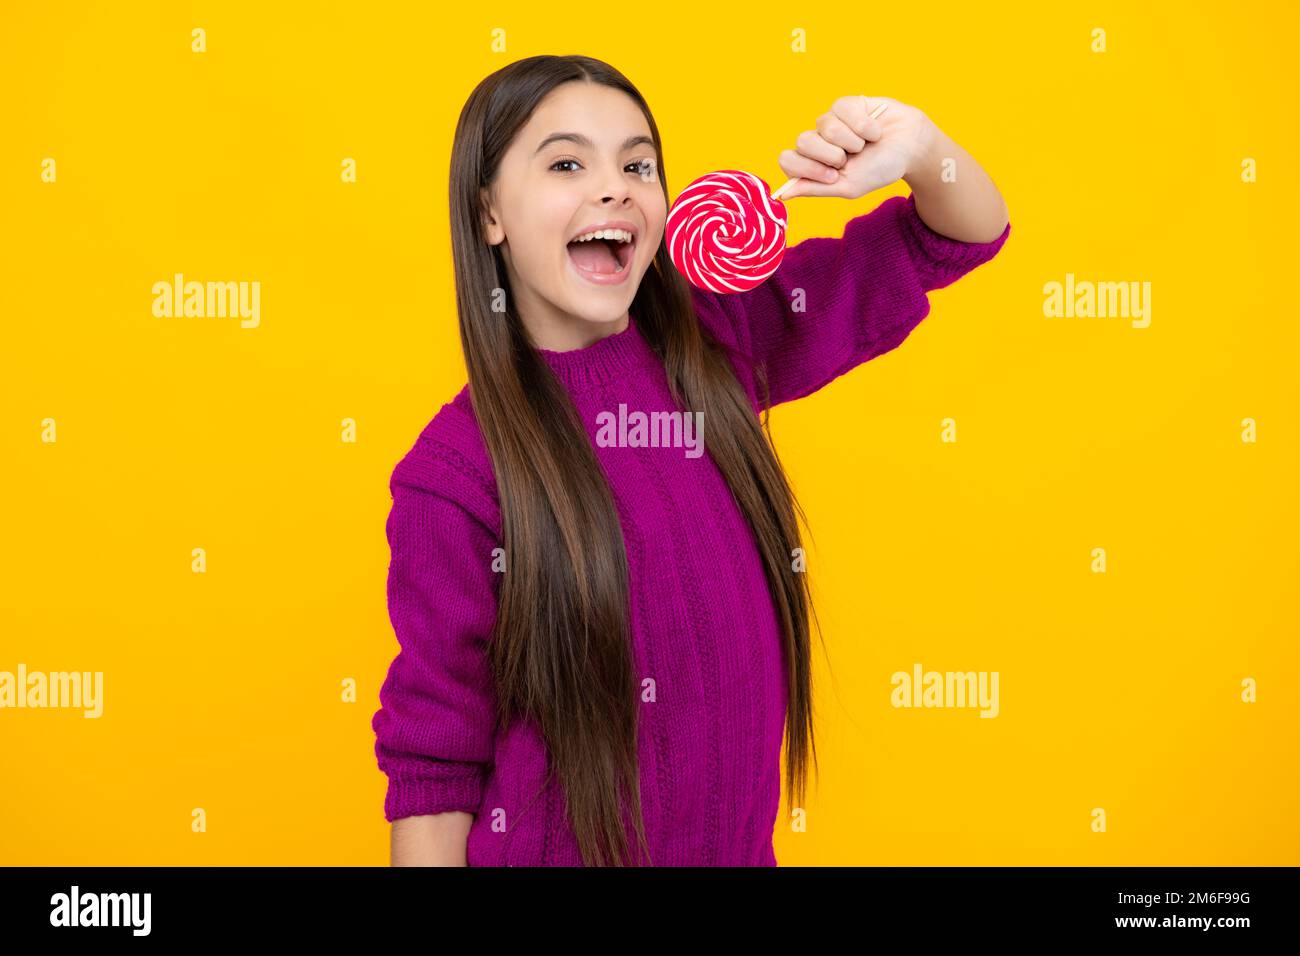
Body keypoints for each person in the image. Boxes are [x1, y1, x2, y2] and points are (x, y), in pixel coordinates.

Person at [372, 54, 1011, 866]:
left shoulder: (717, 345)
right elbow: (435, 769)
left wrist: (920, 147)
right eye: (567, 162)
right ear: (488, 210)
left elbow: (959, 233)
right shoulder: (455, 475)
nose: (615, 188)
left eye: (638, 164)